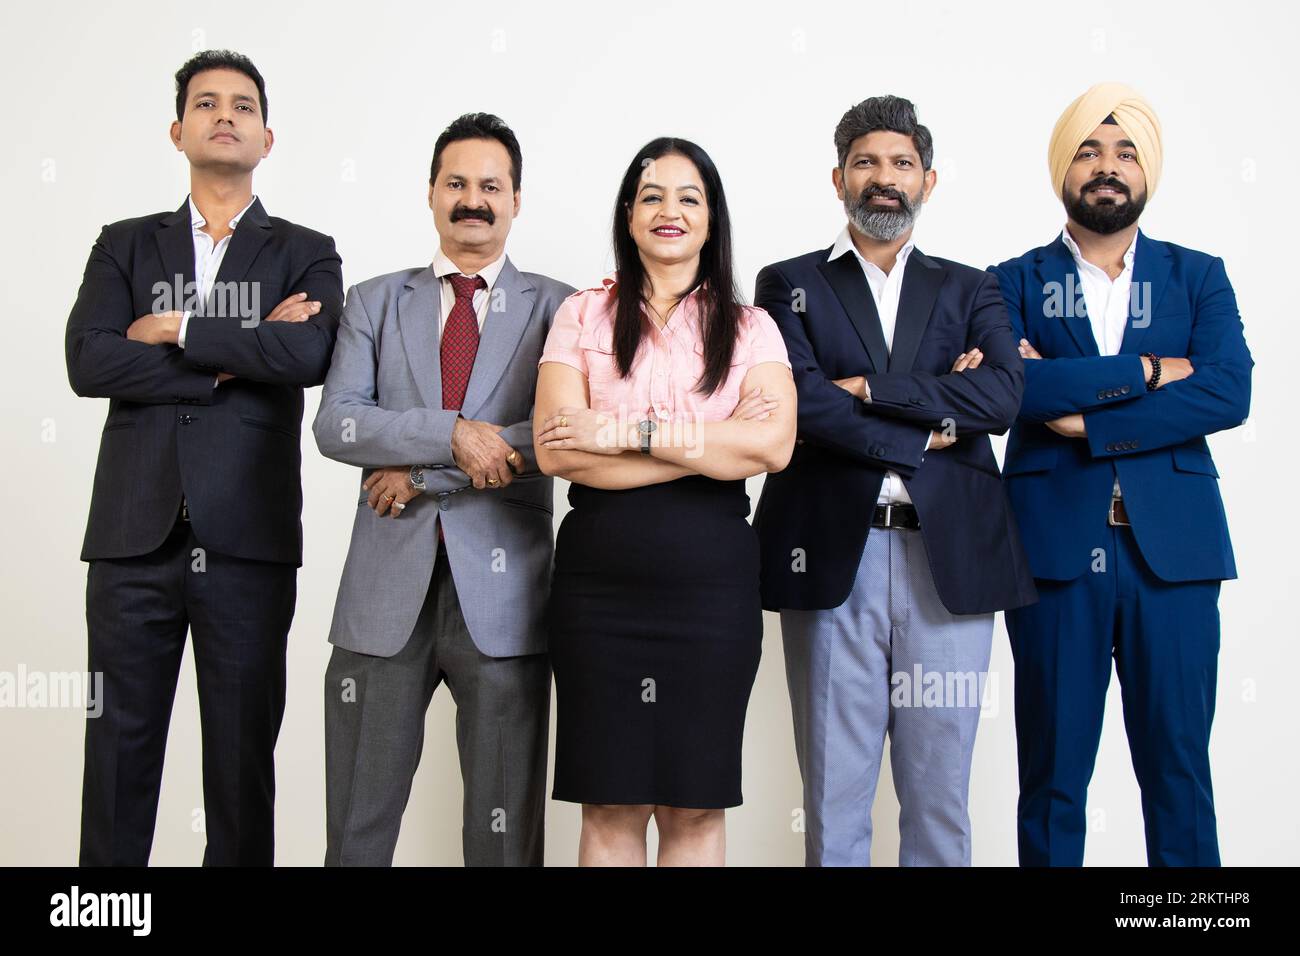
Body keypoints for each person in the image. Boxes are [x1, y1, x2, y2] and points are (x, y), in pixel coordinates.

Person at [65, 49, 344, 865]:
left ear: (267, 137)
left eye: (244, 106)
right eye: (208, 103)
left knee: (238, 765)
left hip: (246, 542)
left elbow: (307, 360)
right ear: (177, 128)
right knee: (116, 760)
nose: (226, 114)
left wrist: (179, 331)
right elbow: (89, 362)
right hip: (130, 541)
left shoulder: (306, 250)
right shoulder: (124, 244)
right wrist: (239, 354)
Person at [754, 95, 1036, 866]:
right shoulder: (788, 284)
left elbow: (1003, 398)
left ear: (929, 180)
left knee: (940, 798)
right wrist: (939, 412)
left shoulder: (973, 287)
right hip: (829, 557)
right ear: (839, 177)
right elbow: (802, 404)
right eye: (868, 162)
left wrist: (872, 391)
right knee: (834, 800)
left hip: (949, 565)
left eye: (902, 164)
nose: (885, 178)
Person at [989, 82, 1252, 867]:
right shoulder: (1009, 280)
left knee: (1178, 771)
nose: (1107, 167)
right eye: (1088, 151)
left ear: (1148, 172)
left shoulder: (1198, 275)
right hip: (1053, 556)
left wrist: (1085, 418)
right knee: (1052, 777)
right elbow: (1014, 391)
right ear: (1061, 170)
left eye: (1125, 152)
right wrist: (1149, 369)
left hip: (1173, 557)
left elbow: (1227, 390)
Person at [313, 113, 574, 866]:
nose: (473, 200)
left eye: (491, 186)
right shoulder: (372, 301)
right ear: (431, 192)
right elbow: (338, 425)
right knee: (358, 830)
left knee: (501, 836)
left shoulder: (559, 307)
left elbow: (557, 434)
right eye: (456, 183)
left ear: (516, 200)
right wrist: (454, 431)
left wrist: (425, 469)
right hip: (381, 596)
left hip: (505, 600)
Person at [534, 137, 796, 866]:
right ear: (628, 214)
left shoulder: (752, 328)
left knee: (694, 807)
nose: (669, 210)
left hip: (712, 593)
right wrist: (708, 450)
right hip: (598, 592)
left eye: (690, 198)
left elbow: (772, 448)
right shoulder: (582, 314)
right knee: (610, 805)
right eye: (652, 195)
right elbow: (557, 451)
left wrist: (622, 432)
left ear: (712, 220)